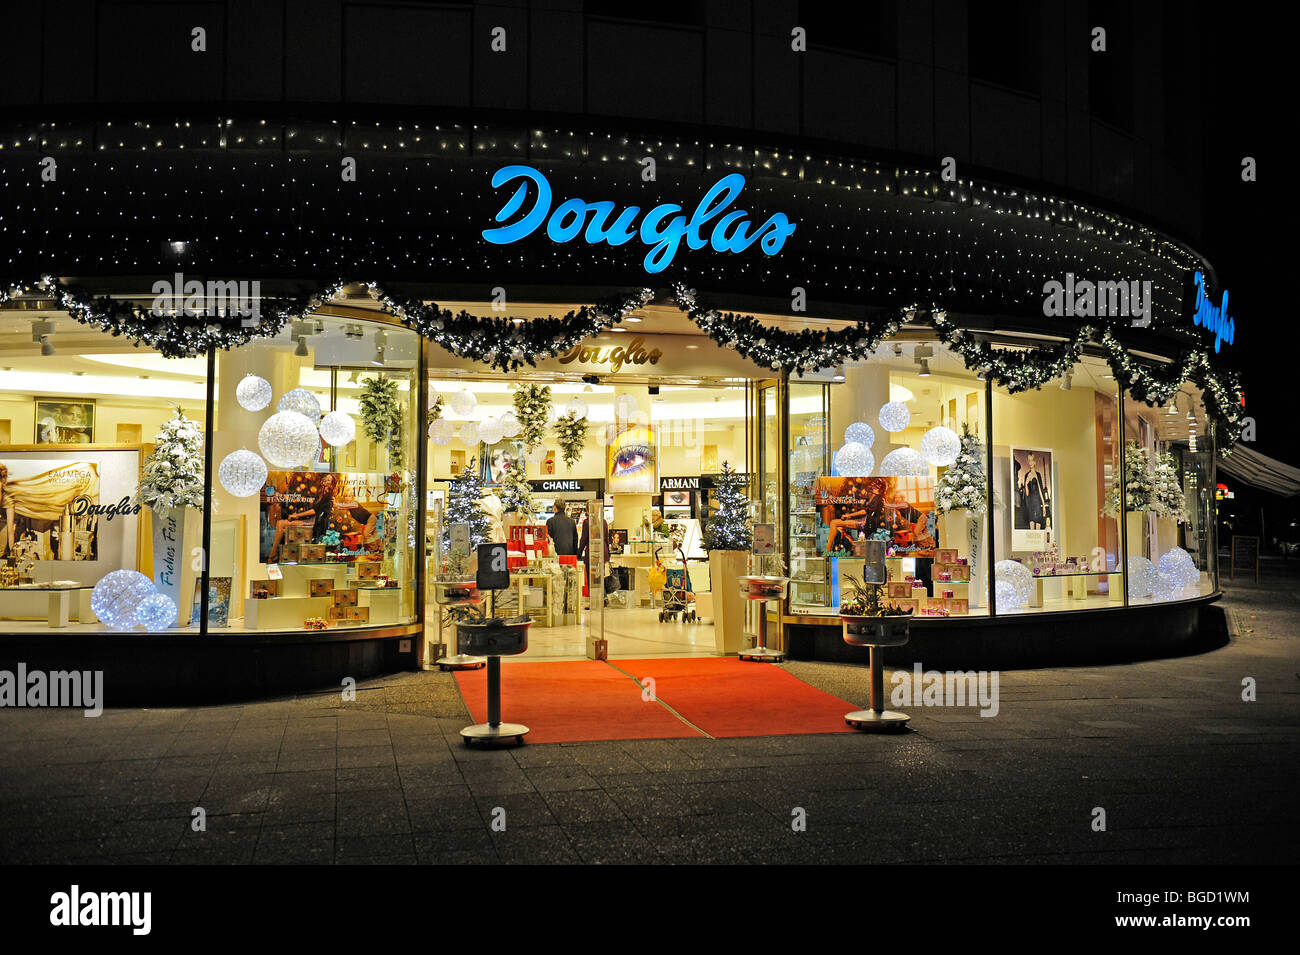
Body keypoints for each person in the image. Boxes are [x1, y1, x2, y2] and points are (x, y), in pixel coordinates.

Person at [268, 472, 337, 562]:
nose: (326, 481)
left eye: (329, 480)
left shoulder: (328, 496)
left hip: (314, 523)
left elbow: (314, 511)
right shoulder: (321, 493)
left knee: (280, 523)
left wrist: (297, 515)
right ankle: (274, 554)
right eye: (326, 478)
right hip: (310, 519)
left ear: (331, 484)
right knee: (280, 523)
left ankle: (272, 555)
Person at [1018, 453, 1050, 531]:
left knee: (1038, 527)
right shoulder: (1026, 475)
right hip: (1030, 503)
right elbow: (1027, 494)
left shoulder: (1038, 475)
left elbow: (1040, 490)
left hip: (1038, 502)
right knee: (1032, 530)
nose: (1030, 463)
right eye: (1029, 461)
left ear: (1035, 462)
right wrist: (1026, 483)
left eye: (1032, 460)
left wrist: (1043, 506)